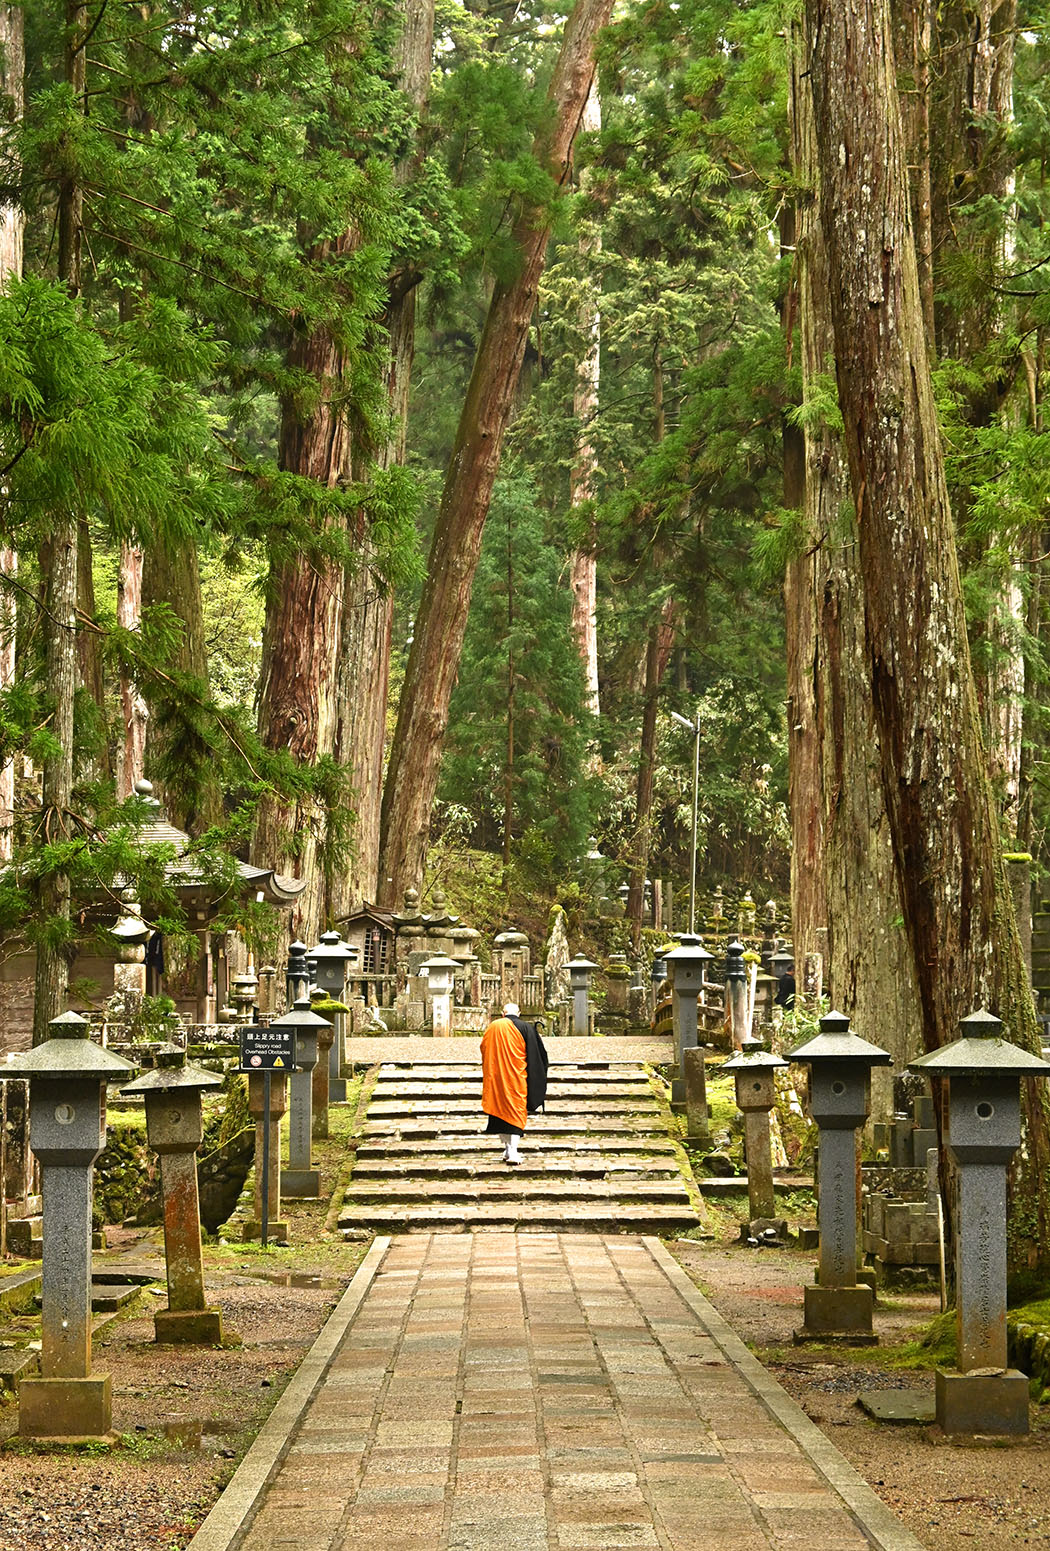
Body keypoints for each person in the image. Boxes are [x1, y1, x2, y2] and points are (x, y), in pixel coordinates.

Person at [480, 1001, 549, 1164]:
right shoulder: (525, 1028)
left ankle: (506, 1149)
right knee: (514, 1114)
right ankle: (513, 1152)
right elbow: (536, 1055)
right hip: (516, 1080)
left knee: (499, 1114)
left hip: (496, 1080)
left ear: (503, 1014)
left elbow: (484, 1048)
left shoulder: (493, 1027)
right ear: (518, 1014)